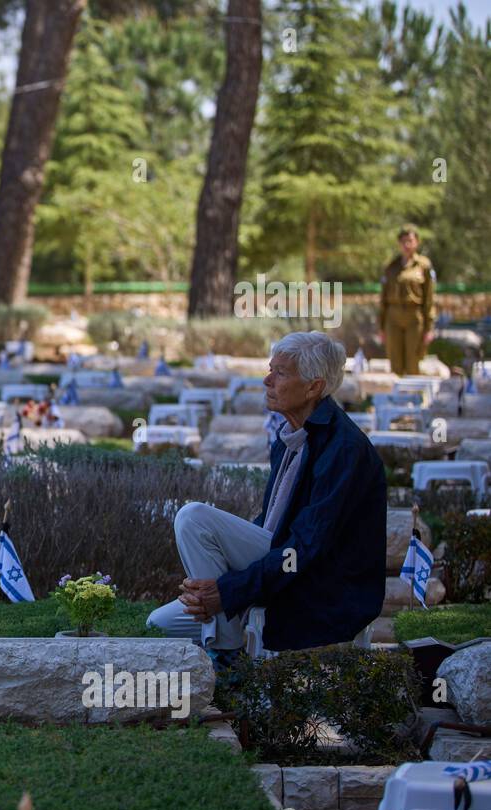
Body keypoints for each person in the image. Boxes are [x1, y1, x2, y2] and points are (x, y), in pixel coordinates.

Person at [146, 332, 385, 662]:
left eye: (281, 373)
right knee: (158, 625)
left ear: (314, 387)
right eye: (270, 369)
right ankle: (225, 639)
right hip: (283, 566)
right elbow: (268, 528)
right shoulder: (289, 439)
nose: (267, 380)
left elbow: (305, 549)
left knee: (193, 517)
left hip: (322, 586)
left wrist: (228, 591)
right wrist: (221, 588)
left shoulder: (344, 449)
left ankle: (227, 658)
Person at [379, 224, 436, 376]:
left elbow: (429, 299)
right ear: (399, 243)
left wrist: (429, 327)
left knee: (413, 362)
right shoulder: (391, 267)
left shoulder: (424, 266)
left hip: (414, 316)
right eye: (403, 241)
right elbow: (383, 299)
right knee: (395, 363)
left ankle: (414, 397)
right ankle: (396, 399)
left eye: (410, 240)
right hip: (393, 316)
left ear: (417, 242)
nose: (407, 245)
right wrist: (381, 326)